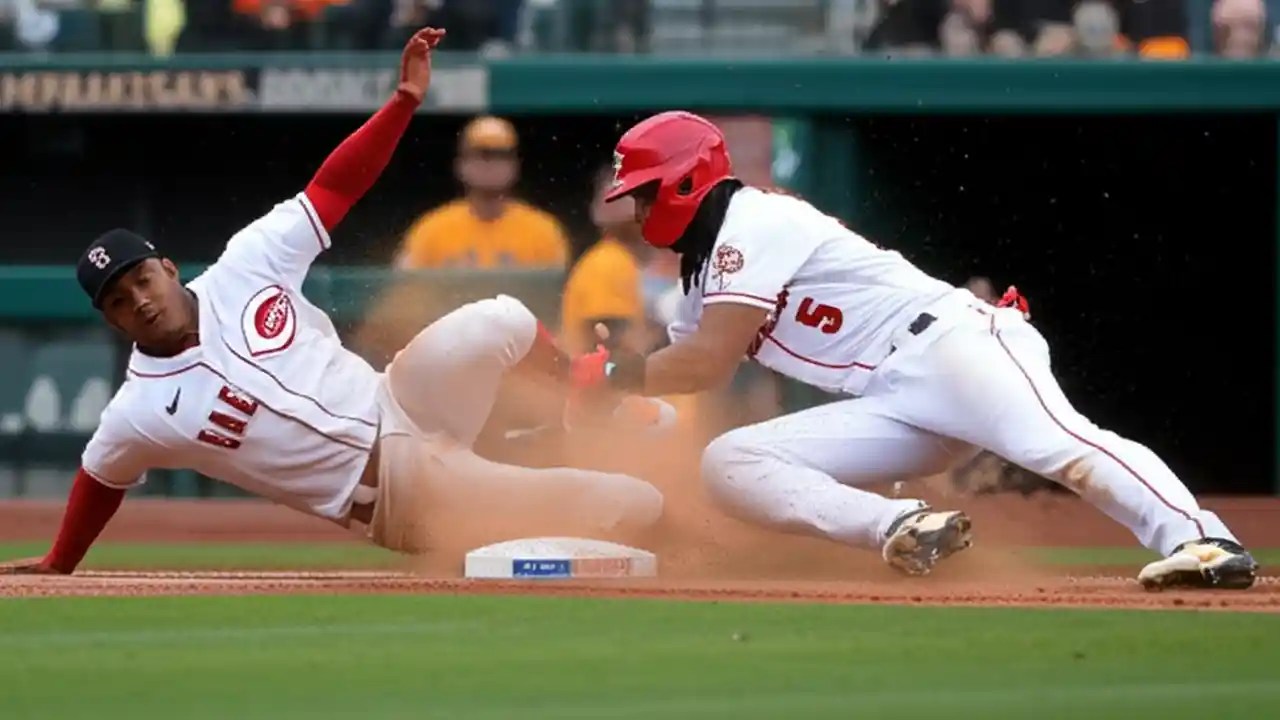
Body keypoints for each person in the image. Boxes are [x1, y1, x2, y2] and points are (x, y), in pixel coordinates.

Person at [0, 28, 663, 576]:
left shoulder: (246, 264)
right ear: (111, 319)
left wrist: (402, 103)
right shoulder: (138, 410)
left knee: (502, 318)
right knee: (626, 502)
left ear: (168, 268)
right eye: (119, 299)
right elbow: (98, 478)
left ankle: (568, 396)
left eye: (142, 279)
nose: (138, 300)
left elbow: (334, 186)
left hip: (397, 397)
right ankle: (664, 519)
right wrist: (61, 559)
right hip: (398, 498)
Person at [568, 110, 1258, 590]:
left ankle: (1204, 540)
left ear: (687, 180)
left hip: (951, 347)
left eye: (645, 191)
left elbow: (705, 361)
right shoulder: (701, 277)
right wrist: (608, 381)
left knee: (1063, 448)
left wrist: (619, 374)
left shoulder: (753, 217)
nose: (635, 209)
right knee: (732, 461)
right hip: (894, 398)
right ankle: (901, 524)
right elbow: (684, 365)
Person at [394, 115, 570, 270]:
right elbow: (406, 295)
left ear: (515, 165)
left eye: (501, 155)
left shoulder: (543, 231)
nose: (490, 164)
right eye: (482, 155)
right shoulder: (431, 230)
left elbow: (554, 300)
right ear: (461, 164)